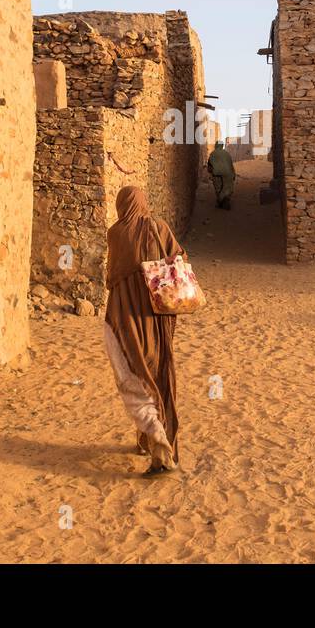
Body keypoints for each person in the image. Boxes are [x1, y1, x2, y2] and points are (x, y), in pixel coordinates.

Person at [104, 186, 184, 474]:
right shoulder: (159, 228)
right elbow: (180, 260)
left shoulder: (116, 234)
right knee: (157, 374)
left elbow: (111, 276)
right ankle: (149, 440)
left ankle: (157, 441)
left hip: (123, 319)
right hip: (158, 320)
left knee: (133, 378)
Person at [207, 141, 235, 209]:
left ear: (216, 145)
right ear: (222, 145)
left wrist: (210, 172)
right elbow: (231, 165)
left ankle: (220, 201)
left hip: (217, 174)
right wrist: (233, 174)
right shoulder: (227, 154)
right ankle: (225, 200)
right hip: (228, 174)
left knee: (218, 188)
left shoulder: (212, 154)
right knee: (227, 187)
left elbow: (209, 166)